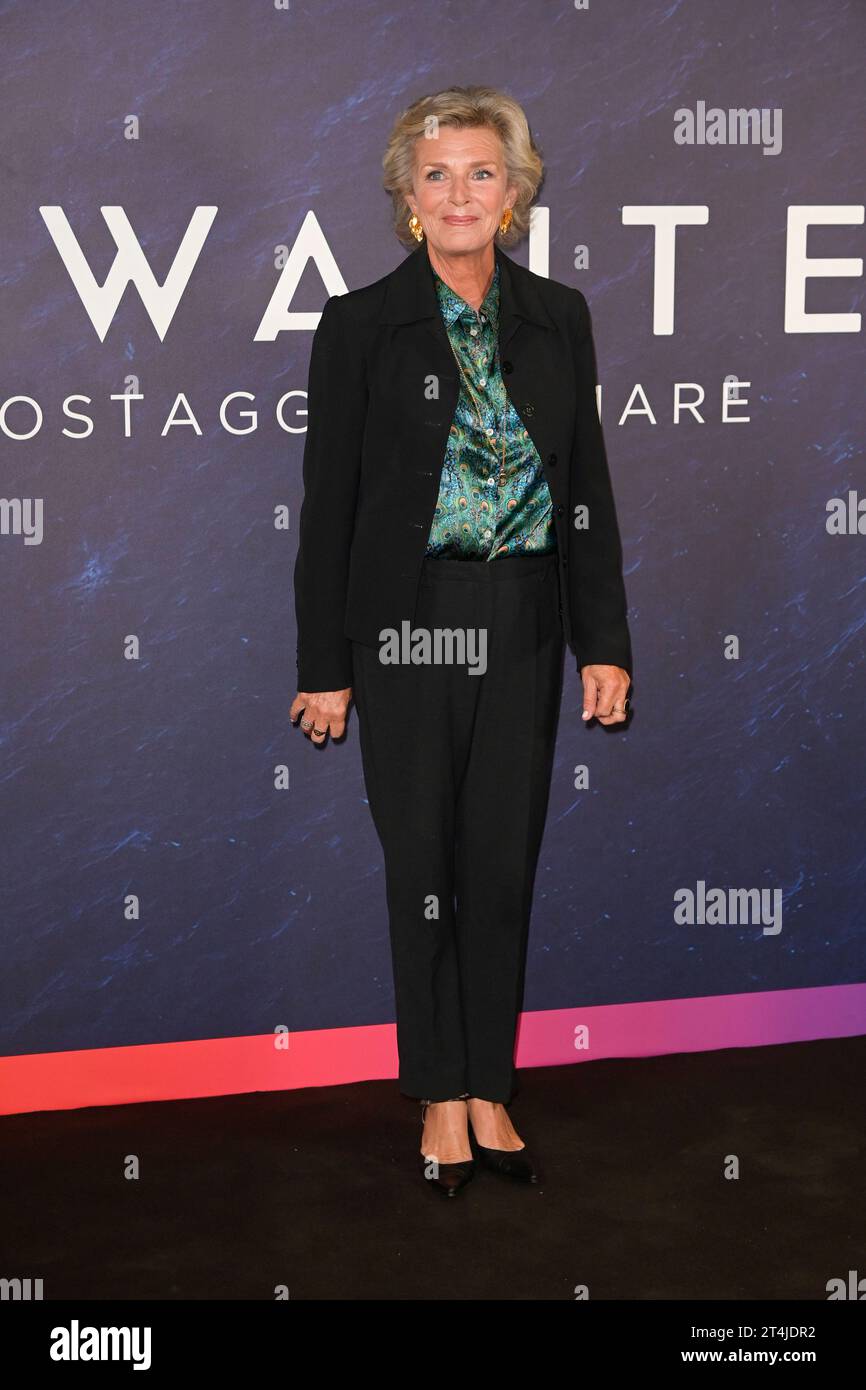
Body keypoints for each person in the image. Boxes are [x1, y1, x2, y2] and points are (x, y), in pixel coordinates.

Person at [291, 85, 632, 1196]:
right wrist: (325, 668)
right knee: (424, 862)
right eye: (435, 174)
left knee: (498, 860)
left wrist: (603, 643)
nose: (458, 193)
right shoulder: (360, 325)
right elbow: (330, 511)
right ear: (406, 195)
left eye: (481, 172)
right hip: (409, 623)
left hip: (525, 617)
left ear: (514, 191)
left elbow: (586, 490)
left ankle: (490, 1083)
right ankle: (438, 1090)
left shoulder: (559, 316)